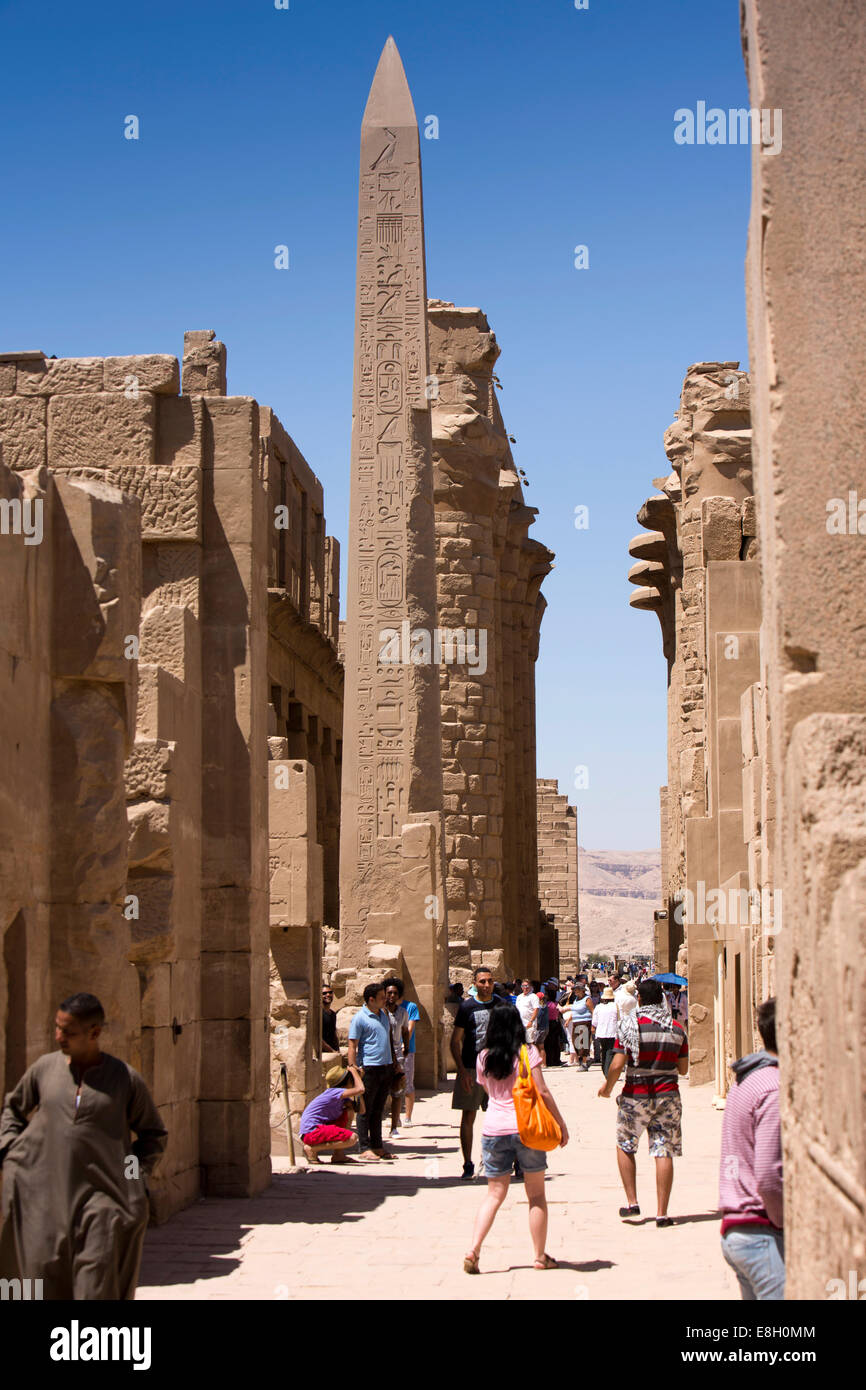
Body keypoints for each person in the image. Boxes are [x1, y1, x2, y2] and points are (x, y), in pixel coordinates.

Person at [0, 992, 167, 1300]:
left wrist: (133, 1178)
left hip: (104, 1203)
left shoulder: (123, 1079)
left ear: (94, 1033)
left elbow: (152, 1135)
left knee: (96, 1286)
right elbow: (12, 1110)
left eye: (69, 1031)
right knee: (39, 1285)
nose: (59, 1036)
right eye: (57, 1027)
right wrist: (11, 1152)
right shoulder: (44, 1069)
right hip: (47, 1200)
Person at [463, 1005, 569, 1274]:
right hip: (527, 1129)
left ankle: (474, 1249)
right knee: (536, 1196)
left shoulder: (483, 1056)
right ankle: (539, 1255)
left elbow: (486, 1089)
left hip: (494, 1129)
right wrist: (560, 1123)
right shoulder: (527, 1052)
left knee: (494, 1194)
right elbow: (542, 1090)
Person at [598, 978, 688, 1225]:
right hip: (667, 1095)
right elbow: (682, 1068)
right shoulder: (677, 1028)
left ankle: (632, 1202)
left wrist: (607, 1088)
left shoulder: (629, 1025)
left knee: (625, 1144)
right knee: (664, 1151)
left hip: (635, 1094)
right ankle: (662, 1213)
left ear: (639, 999)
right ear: (661, 999)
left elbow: (616, 1064)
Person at [718, 998, 784, 1300]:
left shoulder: (748, 1080)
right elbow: (770, 1176)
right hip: (761, 1231)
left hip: (739, 1228)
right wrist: (785, 1223)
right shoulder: (774, 1087)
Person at [450, 965, 498, 1180]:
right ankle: (467, 1162)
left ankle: (500, 1159)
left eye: (489, 981)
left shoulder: (502, 1005)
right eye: (482, 982)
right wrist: (462, 1071)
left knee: (502, 1115)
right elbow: (455, 1041)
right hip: (471, 1067)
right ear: (475, 983)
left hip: (498, 1070)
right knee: (468, 1115)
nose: (486, 985)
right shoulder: (467, 1007)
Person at [347, 982, 395, 1162]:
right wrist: (353, 1069)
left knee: (378, 1109)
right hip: (369, 1068)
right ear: (371, 999)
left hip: (386, 1066)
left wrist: (395, 1065)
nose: (386, 999)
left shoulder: (383, 1014)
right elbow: (352, 1045)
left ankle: (377, 1145)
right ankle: (364, 1147)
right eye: (382, 997)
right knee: (364, 1109)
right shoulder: (360, 1018)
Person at [299, 1063, 365, 1164]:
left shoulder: (341, 1096)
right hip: (311, 1132)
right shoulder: (334, 1092)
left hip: (317, 1130)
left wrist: (358, 1086)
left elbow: (361, 1110)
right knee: (352, 1138)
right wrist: (355, 1073)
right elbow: (360, 1089)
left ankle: (339, 1155)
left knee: (349, 1111)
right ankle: (312, 1149)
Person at [383, 977, 410, 1139]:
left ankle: (394, 1126)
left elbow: (405, 1030)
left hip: (397, 1055)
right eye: (389, 993)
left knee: (397, 1092)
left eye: (395, 993)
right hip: (382, 1055)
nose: (392, 996)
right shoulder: (380, 1012)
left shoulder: (402, 1012)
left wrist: (406, 1046)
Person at [591, 986, 619, 1077]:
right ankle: (608, 1073)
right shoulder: (615, 1006)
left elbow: (594, 1021)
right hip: (612, 1032)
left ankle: (605, 1070)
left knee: (604, 1050)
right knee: (610, 1051)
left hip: (601, 1032)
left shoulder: (598, 1007)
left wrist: (594, 1028)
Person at [569, 981, 594, 1070]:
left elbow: (592, 1011)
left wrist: (593, 1025)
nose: (575, 991)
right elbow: (574, 1011)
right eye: (575, 990)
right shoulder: (576, 1000)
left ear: (582, 990)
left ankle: (583, 1063)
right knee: (575, 1042)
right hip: (576, 1023)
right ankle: (586, 1059)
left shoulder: (587, 999)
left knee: (583, 1043)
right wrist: (568, 1020)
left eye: (577, 990)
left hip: (584, 1022)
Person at [542, 984, 564, 1067]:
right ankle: (556, 1060)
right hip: (556, 1023)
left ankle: (549, 1060)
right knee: (555, 1043)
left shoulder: (546, 1005)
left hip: (548, 1023)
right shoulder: (556, 1003)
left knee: (548, 1043)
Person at [515, 978, 540, 1043]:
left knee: (530, 1044)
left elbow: (536, 1009)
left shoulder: (533, 996)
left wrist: (531, 1021)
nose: (525, 988)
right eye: (523, 986)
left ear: (530, 987)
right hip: (520, 1024)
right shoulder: (519, 997)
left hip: (529, 1024)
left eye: (527, 986)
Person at [321, 985, 340, 1056]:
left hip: (333, 1052)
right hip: (323, 1053)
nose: (328, 995)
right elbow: (317, 1037)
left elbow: (333, 1033)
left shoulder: (333, 1014)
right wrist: (331, 1050)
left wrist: (337, 1050)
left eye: (330, 992)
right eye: (324, 993)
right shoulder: (318, 1014)